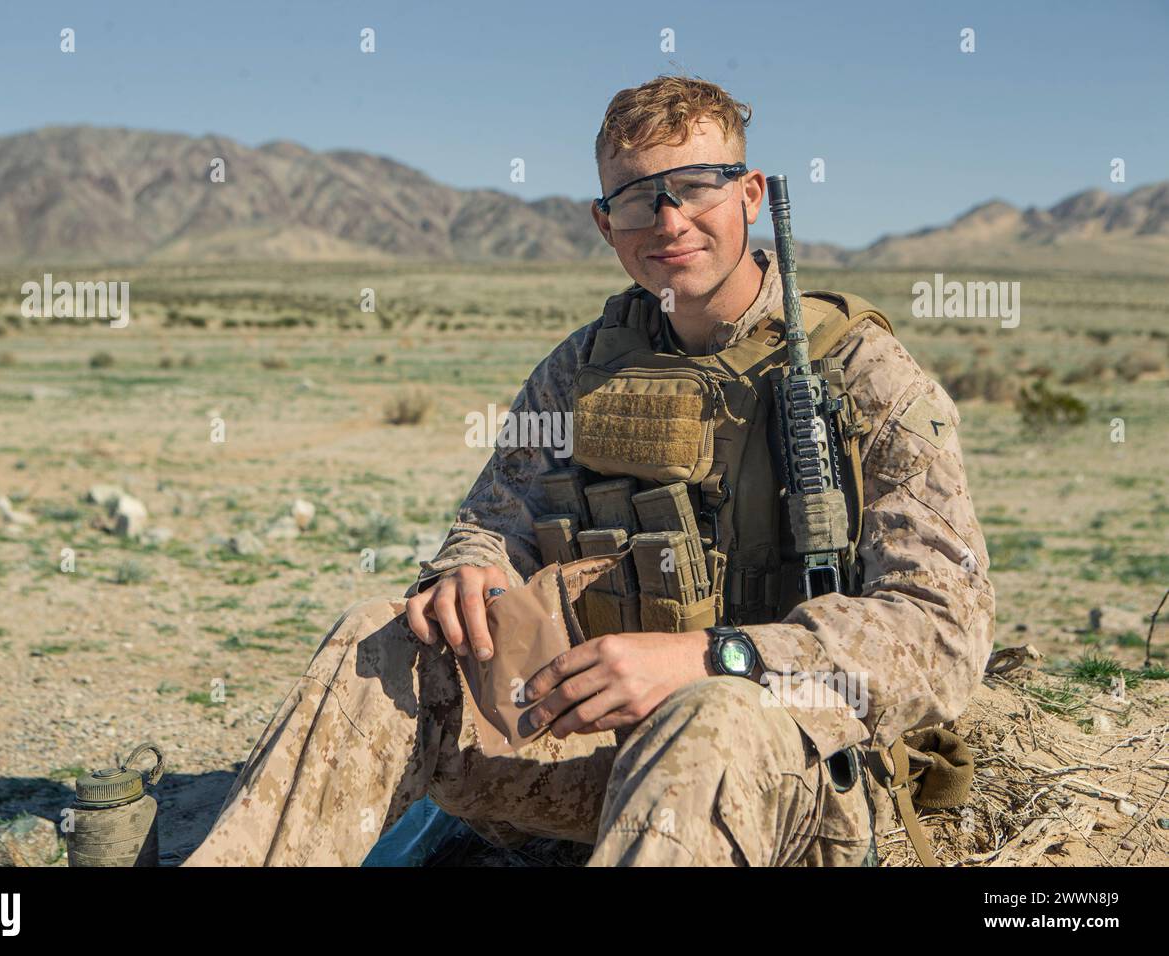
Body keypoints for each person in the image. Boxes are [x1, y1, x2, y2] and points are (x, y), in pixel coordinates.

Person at [182, 75, 995, 867]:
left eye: (695, 187)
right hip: (595, 744)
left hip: (793, 766)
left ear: (750, 195)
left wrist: (716, 659)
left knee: (709, 715)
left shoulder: (860, 374)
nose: (668, 218)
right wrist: (470, 572)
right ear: (607, 225)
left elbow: (942, 633)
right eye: (639, 198)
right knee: (382, 636)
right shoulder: (583, 367)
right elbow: (495, 521)